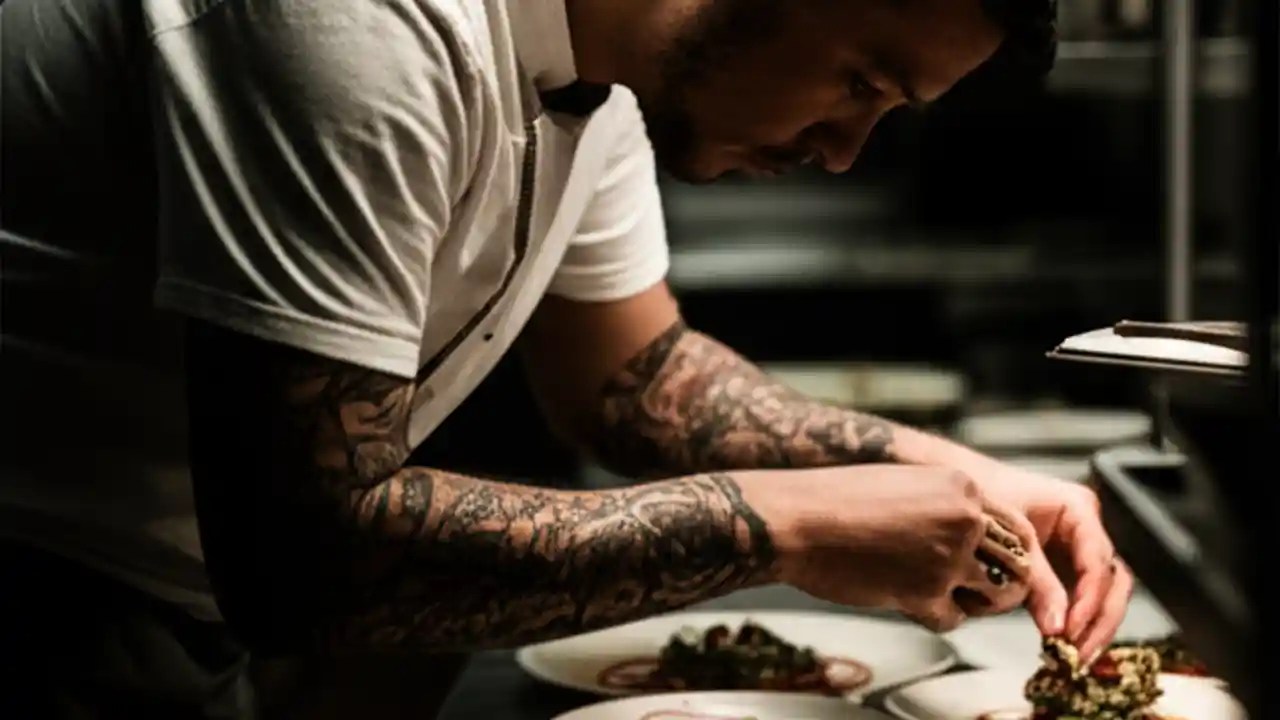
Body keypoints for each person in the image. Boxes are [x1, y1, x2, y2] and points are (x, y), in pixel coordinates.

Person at [0, 0, 1133, 716]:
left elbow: (633, 379)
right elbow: (303, 551)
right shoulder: (365, 22)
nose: (845, 153)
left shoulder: (595, 79)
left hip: (159, 608)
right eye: (860, 81)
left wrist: (944, 476)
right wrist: (795, 526)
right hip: (44, 584)